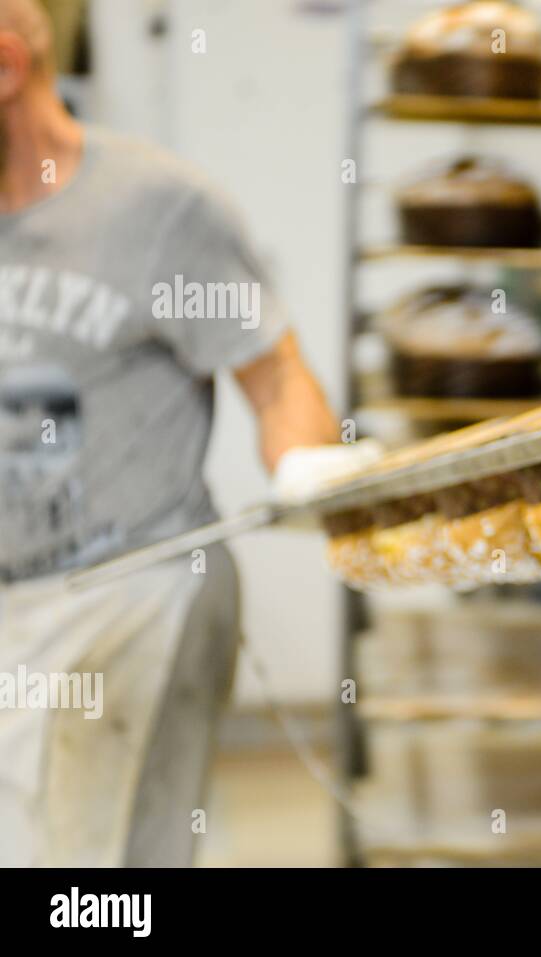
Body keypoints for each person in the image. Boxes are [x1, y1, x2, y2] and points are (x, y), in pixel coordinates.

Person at [0, 0, 361, 865]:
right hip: (19, 603)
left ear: (7, 65)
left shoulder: (156, 209)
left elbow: (275, 375)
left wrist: (309, 471)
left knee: (100, 871)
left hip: (137, 589)